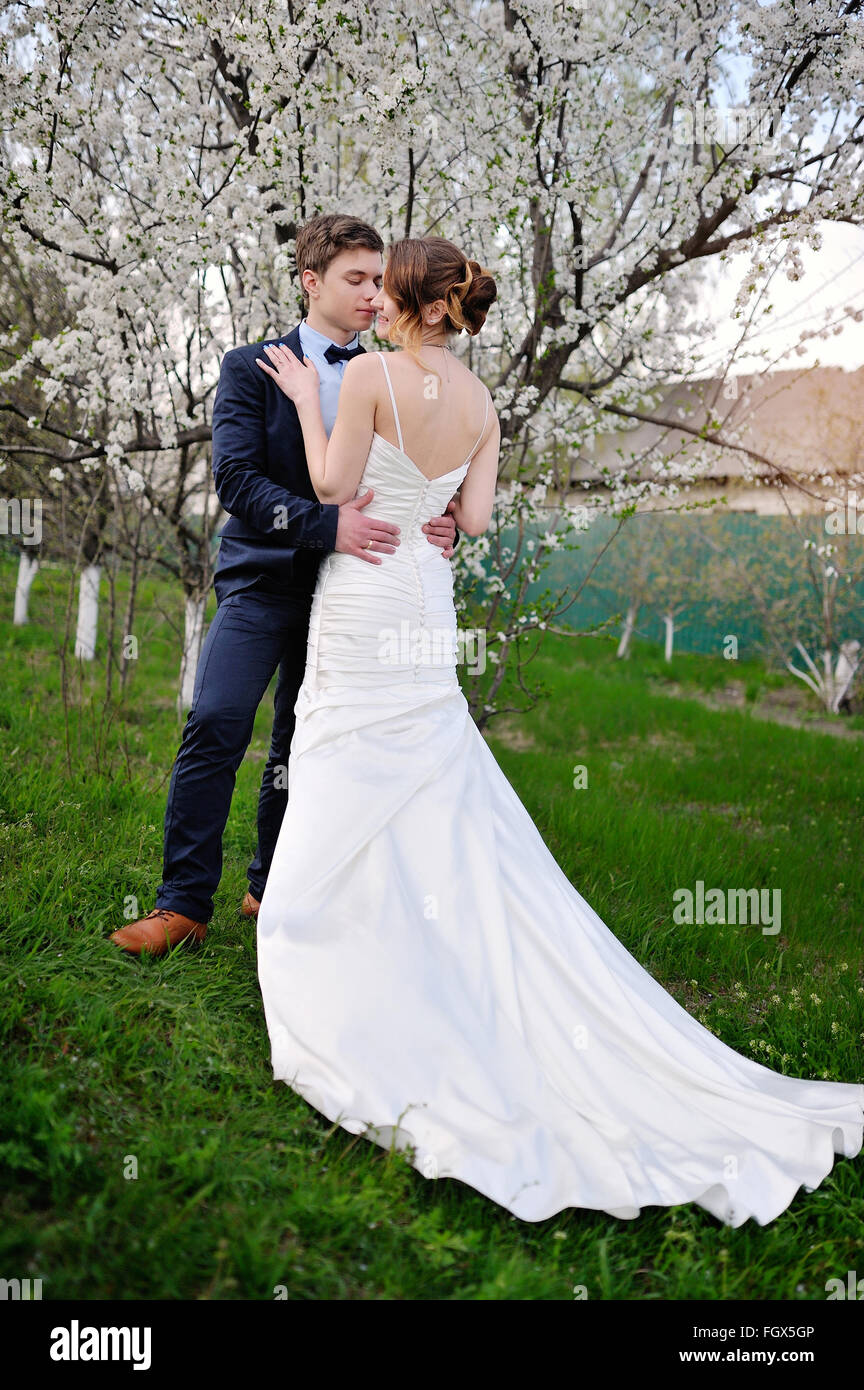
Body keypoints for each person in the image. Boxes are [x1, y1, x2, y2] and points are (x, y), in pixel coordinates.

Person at [253, 233, 864, 1227]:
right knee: (424, 776)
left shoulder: (365, 378)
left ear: (401, 299)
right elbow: (479, 520)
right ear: (457, 307)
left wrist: (298, 405)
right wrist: (437, 507)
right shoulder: (484, 405)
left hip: (367, 592)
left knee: (344, 761)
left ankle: (333, 940)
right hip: (428, 595)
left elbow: (330, 489)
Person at [109, 215, 458, 956]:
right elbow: (236, 480)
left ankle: (271, 888)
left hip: (354, 592)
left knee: (305, 744)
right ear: (311, 281)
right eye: (355, 280)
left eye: (378, 281)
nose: (372, 295)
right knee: (217, 722)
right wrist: (324, 526)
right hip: (262, 583)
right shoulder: (249, 367)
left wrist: (444, 518)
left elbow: (419, 474)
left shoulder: (396, 378)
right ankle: (181, 906)